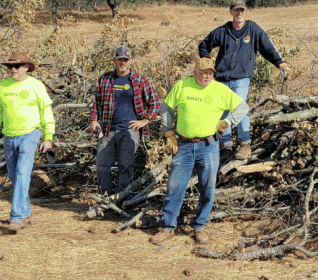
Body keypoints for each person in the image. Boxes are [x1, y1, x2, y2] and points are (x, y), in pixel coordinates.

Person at [149, 57, 248, 245]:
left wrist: (228, 122)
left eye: (210, 72)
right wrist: (169, 133)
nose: (207, 75)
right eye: (203, 72)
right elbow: (165, 109)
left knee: (207, 187)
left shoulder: (220, 90)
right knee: (175, 186)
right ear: (195, 71)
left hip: (208, 146)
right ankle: (167, 227)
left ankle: (199, 226)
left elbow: (242, 107)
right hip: (183, 146)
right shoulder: (182, 87)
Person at [197, 0, 290, 160]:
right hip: (221, 78)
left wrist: (281, 63)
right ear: (231, 12)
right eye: (236, 10)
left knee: (240, 106)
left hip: (241, 77)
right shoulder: (222, 31)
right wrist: (206, 62)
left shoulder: (252, 29)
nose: (239, 13)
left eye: (242, 10)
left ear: (245, 12)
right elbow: (203, 45)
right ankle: (225, 145)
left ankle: (245, 144)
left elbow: (268, 48)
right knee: (222, 110)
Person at [0, 52, 55, 235]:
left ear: (26, 67)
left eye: (17, 66)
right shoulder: (3, 86)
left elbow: (46, 112)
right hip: (9, 137)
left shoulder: (36, 86)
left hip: (29, 134)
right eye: (10, 67)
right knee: (14, 176)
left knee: (23, 173)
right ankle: (25, 212)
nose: (13, 70)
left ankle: (16, 217)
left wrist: (48, 136)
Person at [89, 46, 161, 199]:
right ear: (114, 60)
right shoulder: (105, 78)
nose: (122, 62)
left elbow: (155, 102)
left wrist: (145, 120)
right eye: (119, 59)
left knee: (125, 166)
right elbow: (97, 102)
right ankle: (104, 199)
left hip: (129, 131)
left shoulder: (139, 80)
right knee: (102, 165)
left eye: (125, 59)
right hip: (107, 129)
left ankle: (122, 199)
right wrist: (94, 120)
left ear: (130, 61)